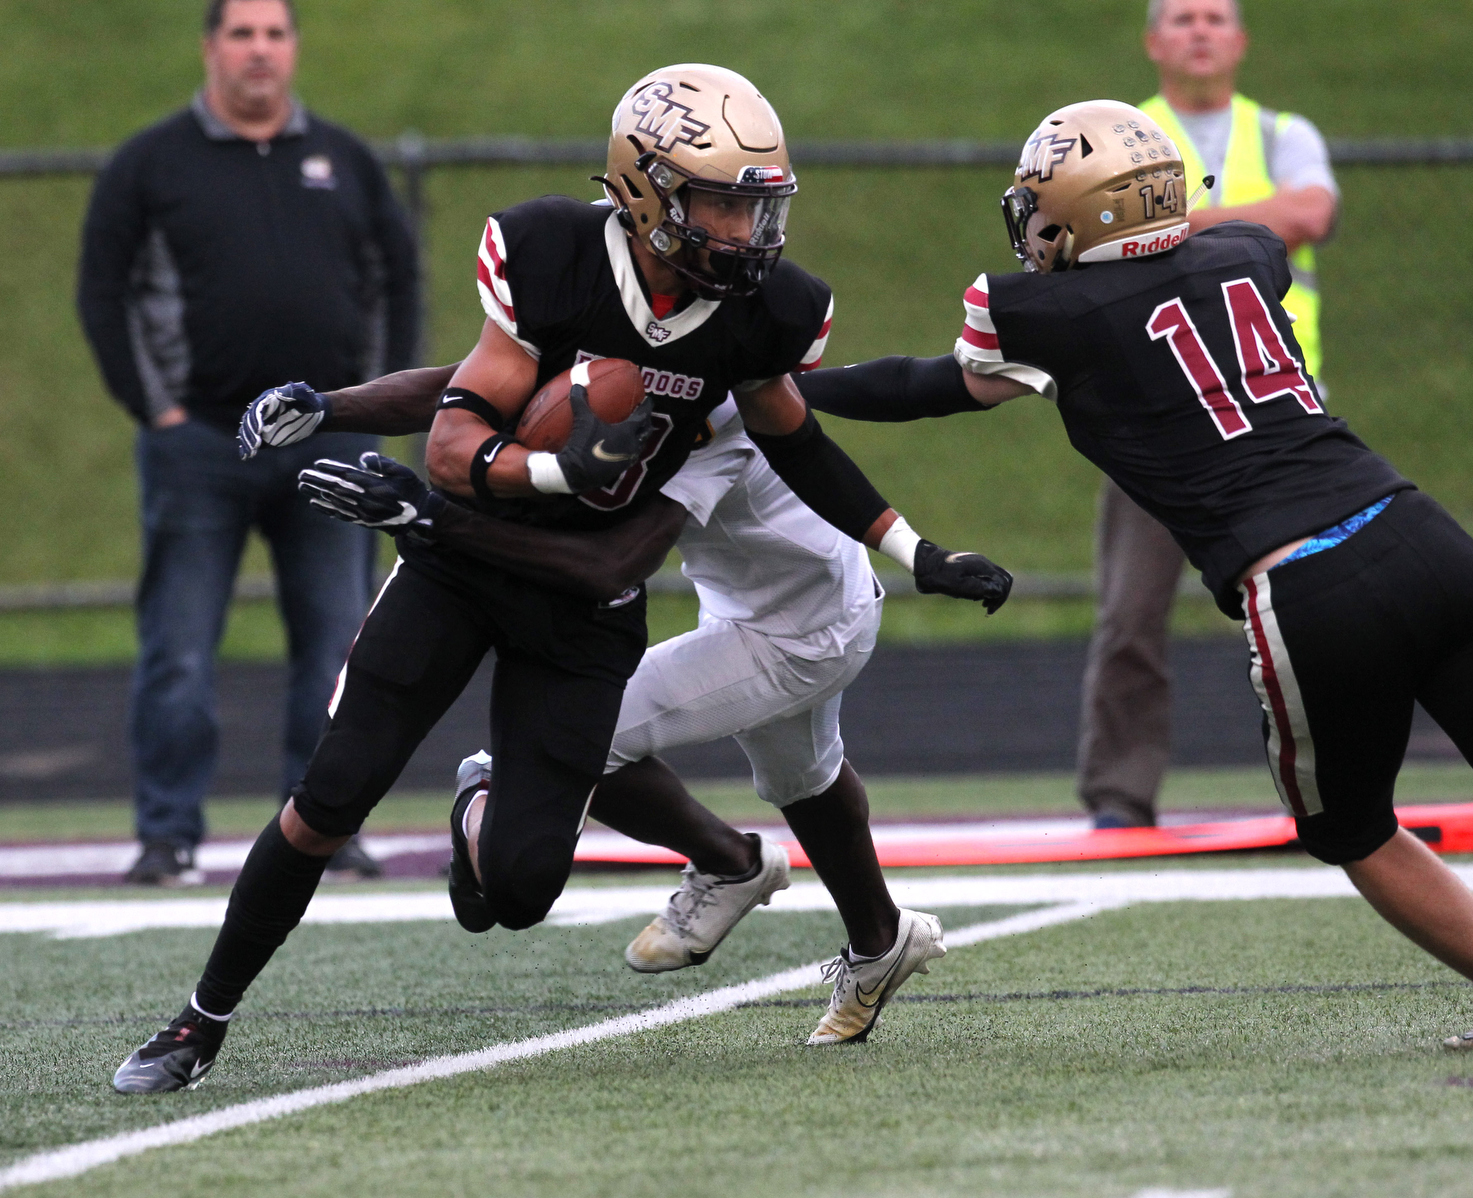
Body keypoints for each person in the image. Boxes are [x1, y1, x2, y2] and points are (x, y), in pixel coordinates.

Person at [112, 64, 1010, 1092]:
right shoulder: (553, 256)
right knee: (331, 796)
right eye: (720, 204)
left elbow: (780, 456)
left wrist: (914, 551)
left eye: (756, 206)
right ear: (645, 191)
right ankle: (198, 1022)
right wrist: (360, 423)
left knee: (522, 888)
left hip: (582, 601)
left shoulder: (764, 321)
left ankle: (483, 818)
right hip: (459, 564)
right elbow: (460, 422)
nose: (746, 231)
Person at [801, 98, 1473, 1050]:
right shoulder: (1245, 252)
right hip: (1422, 534)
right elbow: (1201, 265)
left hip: (1309, 584)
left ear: (1083, 216)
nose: (1031, 225)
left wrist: (785, 391)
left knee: (1349, 828)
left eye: (1042, 207)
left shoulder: (1051, 314)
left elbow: (925, 385)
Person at [241, 371, 926, 1045]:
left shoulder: (712, 411)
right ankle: (881, 940)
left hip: (797, 631)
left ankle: (731, 862)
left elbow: (612, 566)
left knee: (573, 743)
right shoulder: (650, 353)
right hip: (794, 596)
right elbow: (474, 386)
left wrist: (436, 517)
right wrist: (328, 406)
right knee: (803, 779)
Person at [75, 0, 418, 884]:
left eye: (273, 33)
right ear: (210, 47)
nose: (259, 50)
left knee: (339, 646)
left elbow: (395, 281)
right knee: (179, 648)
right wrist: (158, 412)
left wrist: (365, 408)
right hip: (199, 445)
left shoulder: (345, 160)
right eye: (242, 33)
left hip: (325, 441)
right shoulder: (151, 164)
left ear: (292, 47)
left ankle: (323, 830)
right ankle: (167, 835)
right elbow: (103, 291)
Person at [1073, 0, 1341, 829]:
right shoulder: (1113, 134)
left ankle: (1340, 786)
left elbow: (1311, 216)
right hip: (1156, 414)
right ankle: (1119, 800)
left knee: (1319, 608)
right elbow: (1090, 243)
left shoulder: (1285, 132)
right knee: (1129, 616)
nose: (1200, 30)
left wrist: (1176, 226)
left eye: (1216, 18)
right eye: (1183, 17)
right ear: (1153, 42)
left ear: (1241, 41)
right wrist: (1254, 219)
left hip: (1277, 416)